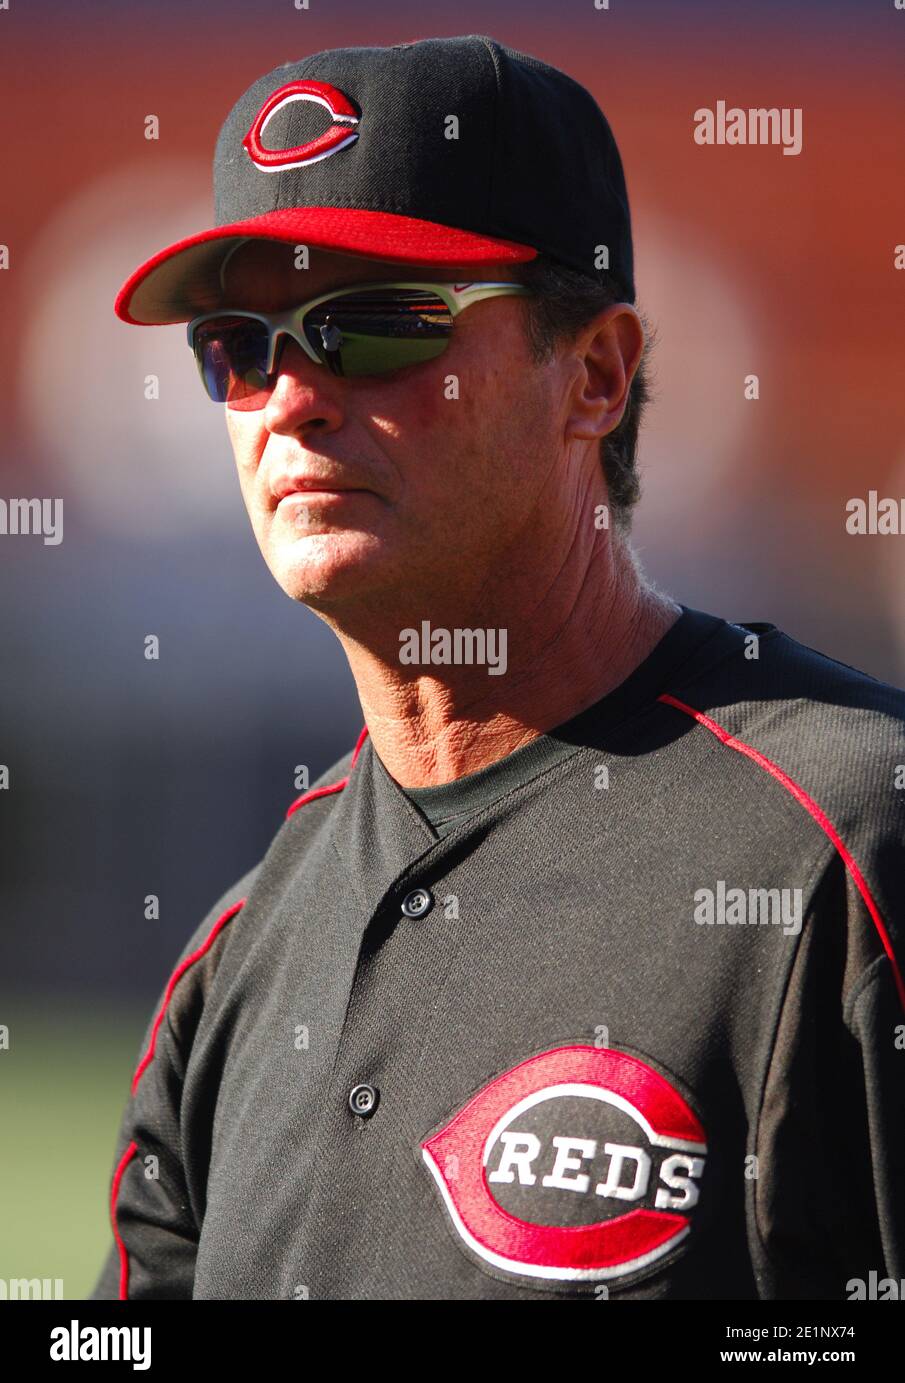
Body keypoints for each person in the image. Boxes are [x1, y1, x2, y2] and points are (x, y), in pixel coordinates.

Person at [91, 35, 904, 1301]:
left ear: (594, 375)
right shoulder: (237, 954)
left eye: (373, 325)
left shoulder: (856, 833)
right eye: (240, 347)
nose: (289, 398)